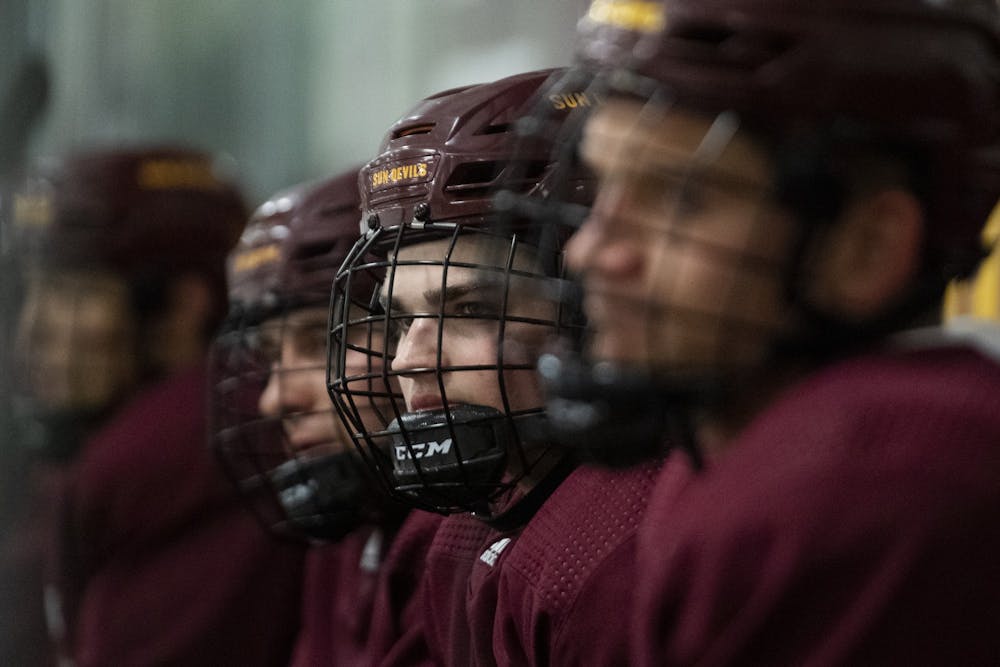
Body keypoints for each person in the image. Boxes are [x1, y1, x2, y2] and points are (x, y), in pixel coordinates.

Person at [539, 0, 1000, 663]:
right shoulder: (730, 441)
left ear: (865, 247)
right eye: (603, 189)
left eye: (681, 200)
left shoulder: (862, 482)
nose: (592, 252)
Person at [328, 68, 661, 666]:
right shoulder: (459, 534)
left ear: (591, 309)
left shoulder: (610, 548)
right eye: (401, 322)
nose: (407, 362)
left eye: (473, 309)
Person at [12, 145, 305, 666]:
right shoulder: (108, 453)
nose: (31, 331)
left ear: (180, 308)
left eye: (73, 295)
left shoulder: (175, 461)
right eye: (32, 295)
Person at [209, 167, 441, 665]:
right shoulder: (341, 544)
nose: (276, 399)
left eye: (320, 341)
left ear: (408, 330)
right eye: (270, 357)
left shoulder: (448, 543)